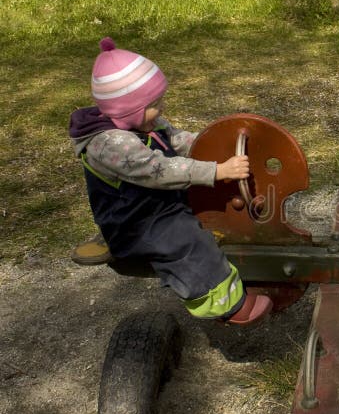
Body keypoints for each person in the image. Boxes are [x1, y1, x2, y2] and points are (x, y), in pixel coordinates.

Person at [69, 37, 272, 325]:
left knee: (204, 215)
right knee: (187, 241)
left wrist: (217, 148)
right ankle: (227, 304)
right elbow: (158, 170)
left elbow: (179, 140)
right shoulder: (110, 145)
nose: (161, 108)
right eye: (154, 104)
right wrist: (215, 171)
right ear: (128, 109)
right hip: (135, 222)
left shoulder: (145, 123)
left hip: (159, 206)